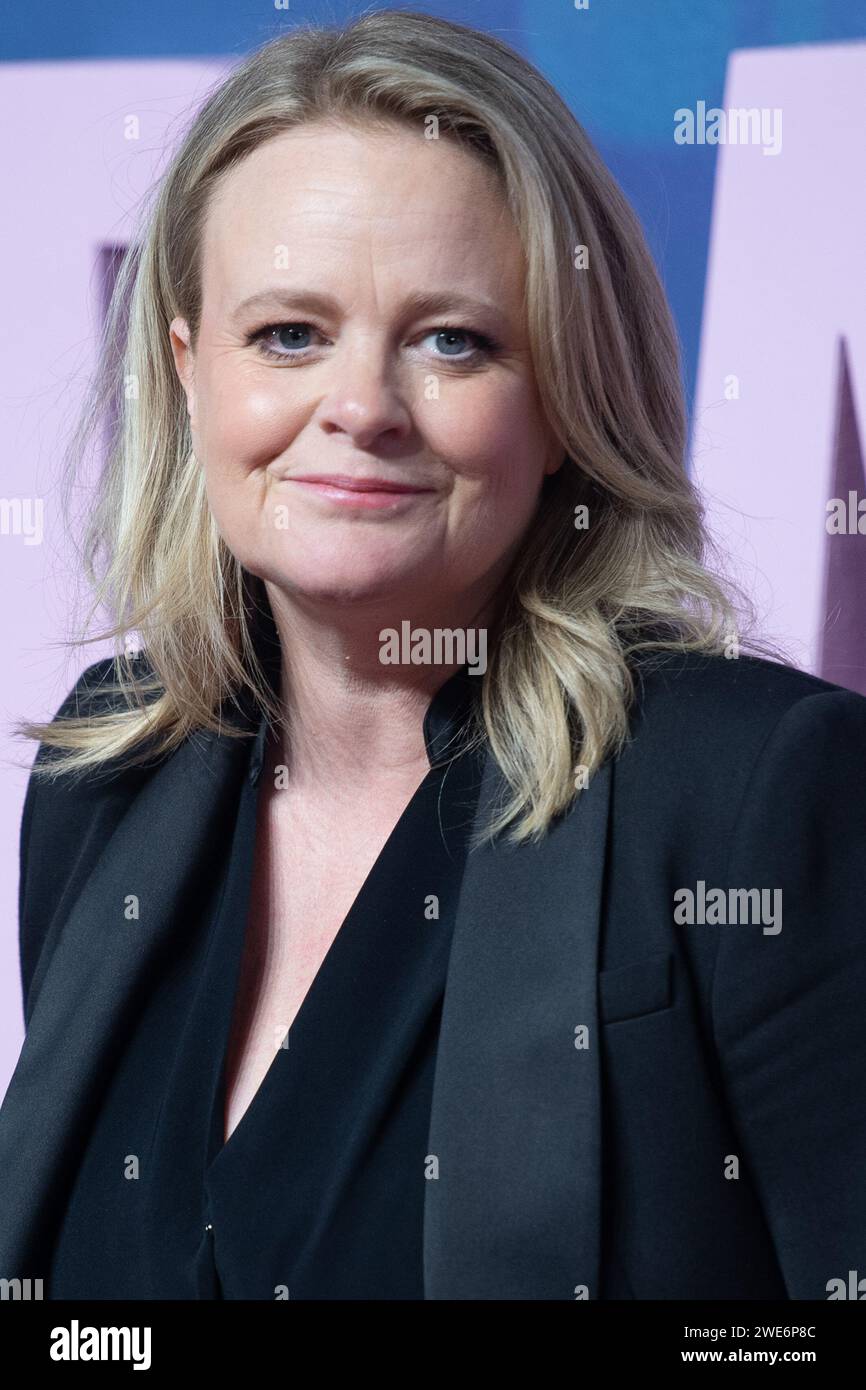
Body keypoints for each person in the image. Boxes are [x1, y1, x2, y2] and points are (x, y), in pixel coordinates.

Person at [1, 9, 864, 1301]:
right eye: (289, 333)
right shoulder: (102, 778)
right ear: (189, 371)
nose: (359, 406)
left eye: (450, 338)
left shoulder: (753, 792)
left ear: (564, 391)